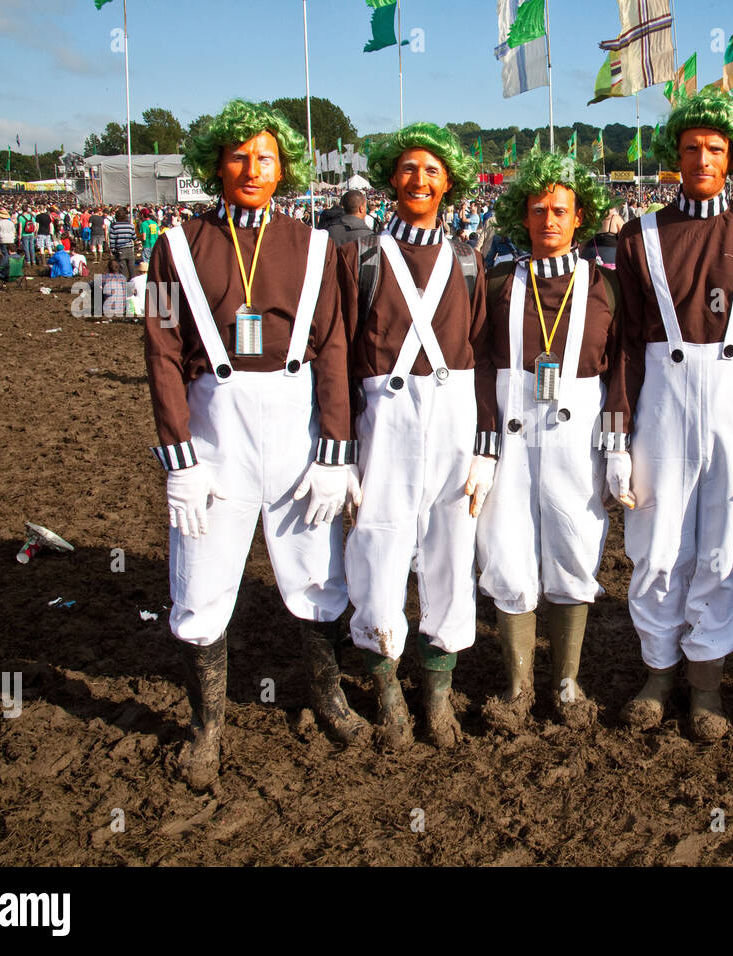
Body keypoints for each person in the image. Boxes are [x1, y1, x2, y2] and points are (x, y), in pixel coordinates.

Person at [145, 99, 364, 790]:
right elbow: (160, 353)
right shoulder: (173, 247)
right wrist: (178, 458)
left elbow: (335, 350)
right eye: (238, 156)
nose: (251, 168)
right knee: (202, 582)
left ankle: (329, 695)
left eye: (265, 156)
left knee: (318, 573)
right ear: (216, 163)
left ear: (283, 167)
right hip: (216, 431)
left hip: (297, 427)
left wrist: (336, 451)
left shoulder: (319, 245)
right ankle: (206, 727)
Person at [602, 88, 733, 741]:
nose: (703, 158)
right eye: (691, 148)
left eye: (715, 148)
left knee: (727, 548)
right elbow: (623, 342)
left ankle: (705, 679)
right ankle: (658, 669)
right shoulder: (639, 233)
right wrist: (616, 436)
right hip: (662, 398)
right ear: (674, 155)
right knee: (655, 544)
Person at [340, 122, 493, 750]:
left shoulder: (468, 260)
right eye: (408, 168)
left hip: (456, 419)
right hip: (385, 420)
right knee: (377, 550)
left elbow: (483, 356)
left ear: (448, 180)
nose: (420, 180)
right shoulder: (362, 258)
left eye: (432, 170)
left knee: (452, 553)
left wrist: (486, 446)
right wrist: (340, 450)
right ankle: (387, 693)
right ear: (390, 178)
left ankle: (437, 693)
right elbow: (340, 357)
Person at [478, 149, 618, 732]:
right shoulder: (496, 284)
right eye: (538, 210)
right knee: (505, 550)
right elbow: (479, 364)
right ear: (523, 215)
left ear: (579, 215)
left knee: (574, 547)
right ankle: (516, 687)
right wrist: (483, 441)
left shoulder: (608, 286)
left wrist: (618, 442)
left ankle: (566, 682)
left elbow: (627, 366)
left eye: (560, 209)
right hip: (511, 434)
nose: (549, 220)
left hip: (577, 431)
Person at [109, 208, 138, 278]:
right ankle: (133, 285)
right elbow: (134, 237)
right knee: (132, 270)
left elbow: (112, 240)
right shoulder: (130, 226)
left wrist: (113, 250)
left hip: (120, 250)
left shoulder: (114, 227)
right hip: (130, 249)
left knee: (122, 270)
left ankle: (123, 285)